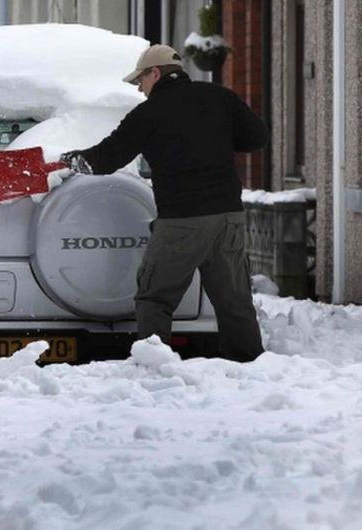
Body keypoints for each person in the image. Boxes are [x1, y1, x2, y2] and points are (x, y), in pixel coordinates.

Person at [60, 44, 268, 362]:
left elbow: (105, 159)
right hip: (228, 217)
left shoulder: (149, 113)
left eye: (140, 81)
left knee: (155, 297)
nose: (140, 90)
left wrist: (64, 161)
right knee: (233, 299)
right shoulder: (219, 97)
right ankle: (249, 366)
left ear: (155, 73)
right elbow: (257, 138)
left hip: (183, 220)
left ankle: (155, 368)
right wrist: (217, 138)